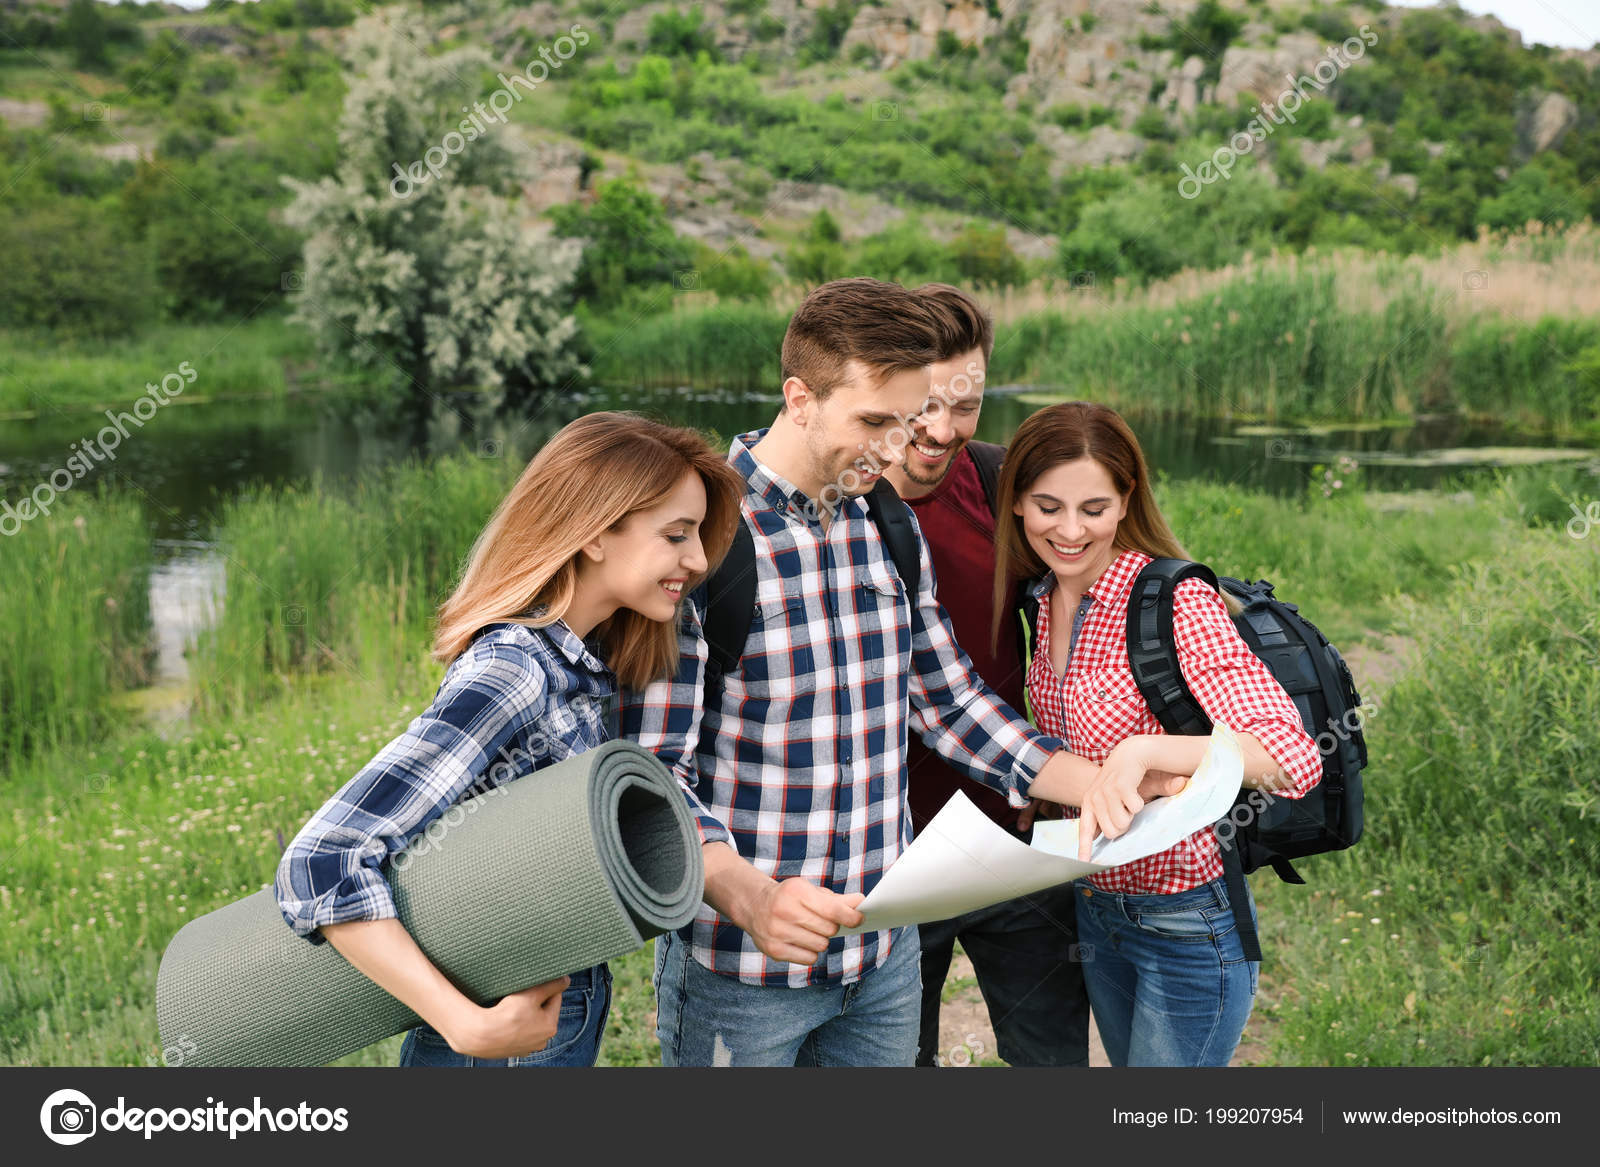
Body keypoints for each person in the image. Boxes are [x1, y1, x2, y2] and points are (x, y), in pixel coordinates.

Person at [622, 278, 1182, 1067]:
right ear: (800, 397)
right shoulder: (700, 539)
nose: (897, 447)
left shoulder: (884, 524)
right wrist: (753, 898)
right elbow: (651, 774)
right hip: (740, 972)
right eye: (875, 421)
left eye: (910, 418)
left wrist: (1094, 783)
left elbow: (950, 702)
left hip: (882, 961)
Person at [274, 413, 743, 1067]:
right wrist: (462, 1022)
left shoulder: (588, 661)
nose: (696, 561)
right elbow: (324, 859)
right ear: (597, 532)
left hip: (553, 1008)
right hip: (495, 1035)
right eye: (676, 535)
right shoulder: (516, 668)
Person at [991, 401, 1323, 1067]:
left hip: (1186, 921)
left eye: (1093, 507)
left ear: (1125, 501)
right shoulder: (1037, 597)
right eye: (1047, 505)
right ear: (1018, 504)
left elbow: (1293, 755)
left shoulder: (1171, 600)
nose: (1069, 529)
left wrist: (1143, 751)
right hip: (1095, 907)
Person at [882, 283, 1090, 1068]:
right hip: (891, 862)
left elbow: (1091, 599)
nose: (942, 431)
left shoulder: (1003, 484)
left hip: (1017, 833)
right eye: (920, 405)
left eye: (964, 405)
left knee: (1055, 1061)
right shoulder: (834, 507)